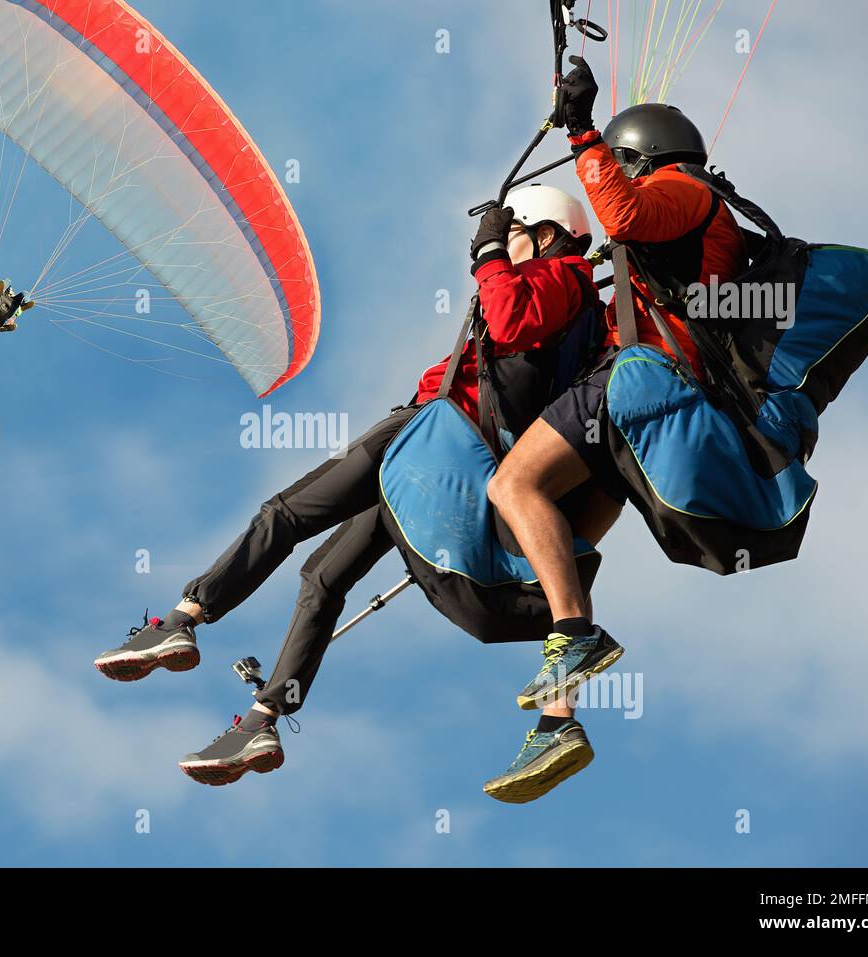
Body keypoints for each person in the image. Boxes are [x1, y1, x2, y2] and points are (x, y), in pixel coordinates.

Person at [94, 185, 600, 786]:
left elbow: (511, 319)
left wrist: (489, 252)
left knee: (283, 513)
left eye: (515, 233)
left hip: (432, 433)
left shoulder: (562, 277)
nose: (502, 247)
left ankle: (186, 616)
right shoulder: (578, 302)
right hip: (445, 456)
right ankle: (264, 719)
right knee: (323, 577)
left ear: (543, 235)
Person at [482, 57, 747, 803]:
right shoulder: (687, 230)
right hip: (659, 402)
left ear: (642, 160)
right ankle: (558, 722)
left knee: (513, 484)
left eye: (620, 166)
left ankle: (580, 642)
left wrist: (579, 130)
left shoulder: (687, 192)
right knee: (558, 540)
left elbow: (626, 214)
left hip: (645, 383)